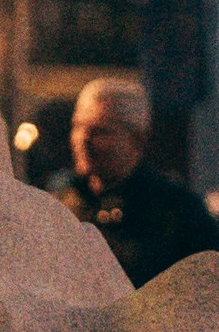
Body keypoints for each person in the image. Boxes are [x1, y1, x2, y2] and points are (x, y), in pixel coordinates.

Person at [56, 75, 211, 291]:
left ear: (136, 139)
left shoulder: (178, 212)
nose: (84, 140)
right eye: (78, 126)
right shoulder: (61, 203)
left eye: (101, 131)